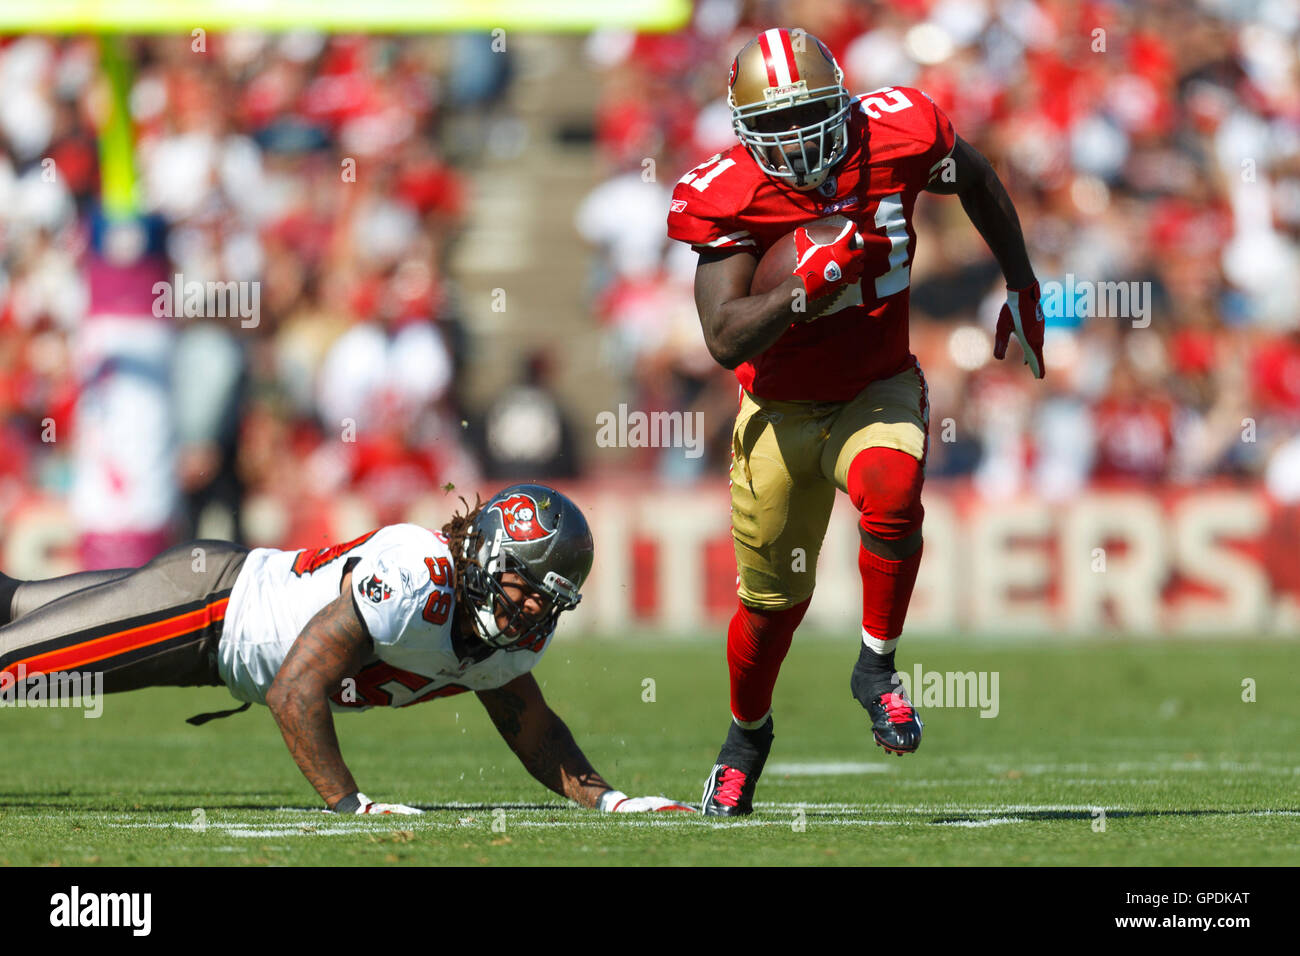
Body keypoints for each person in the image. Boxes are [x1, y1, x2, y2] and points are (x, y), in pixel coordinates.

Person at [666, 29, 1045, 815]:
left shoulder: (899, 131)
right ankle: (746, 738)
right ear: (742, 134)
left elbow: (974, 175)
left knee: (894, 487)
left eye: (810, 114)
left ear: (842, 98)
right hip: (777, 407)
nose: (799, 139)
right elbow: (723, 336)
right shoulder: (728, 190)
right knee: (771, 611)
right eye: (774, 126)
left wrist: (1023, 283)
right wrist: (798, 289)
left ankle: (877, 665)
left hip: (878, 384)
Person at [0, 483, 692, 816]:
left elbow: (535, 730)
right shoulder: (419, 577)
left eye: (553, 597)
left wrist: (613, 802)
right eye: (527, 584)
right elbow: (294, 689)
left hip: (214, 642)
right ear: (486, 555)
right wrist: (348, 804)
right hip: (204, 606)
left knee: (14, 600)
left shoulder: (500, 647)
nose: (536, 608)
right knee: (10, 667)